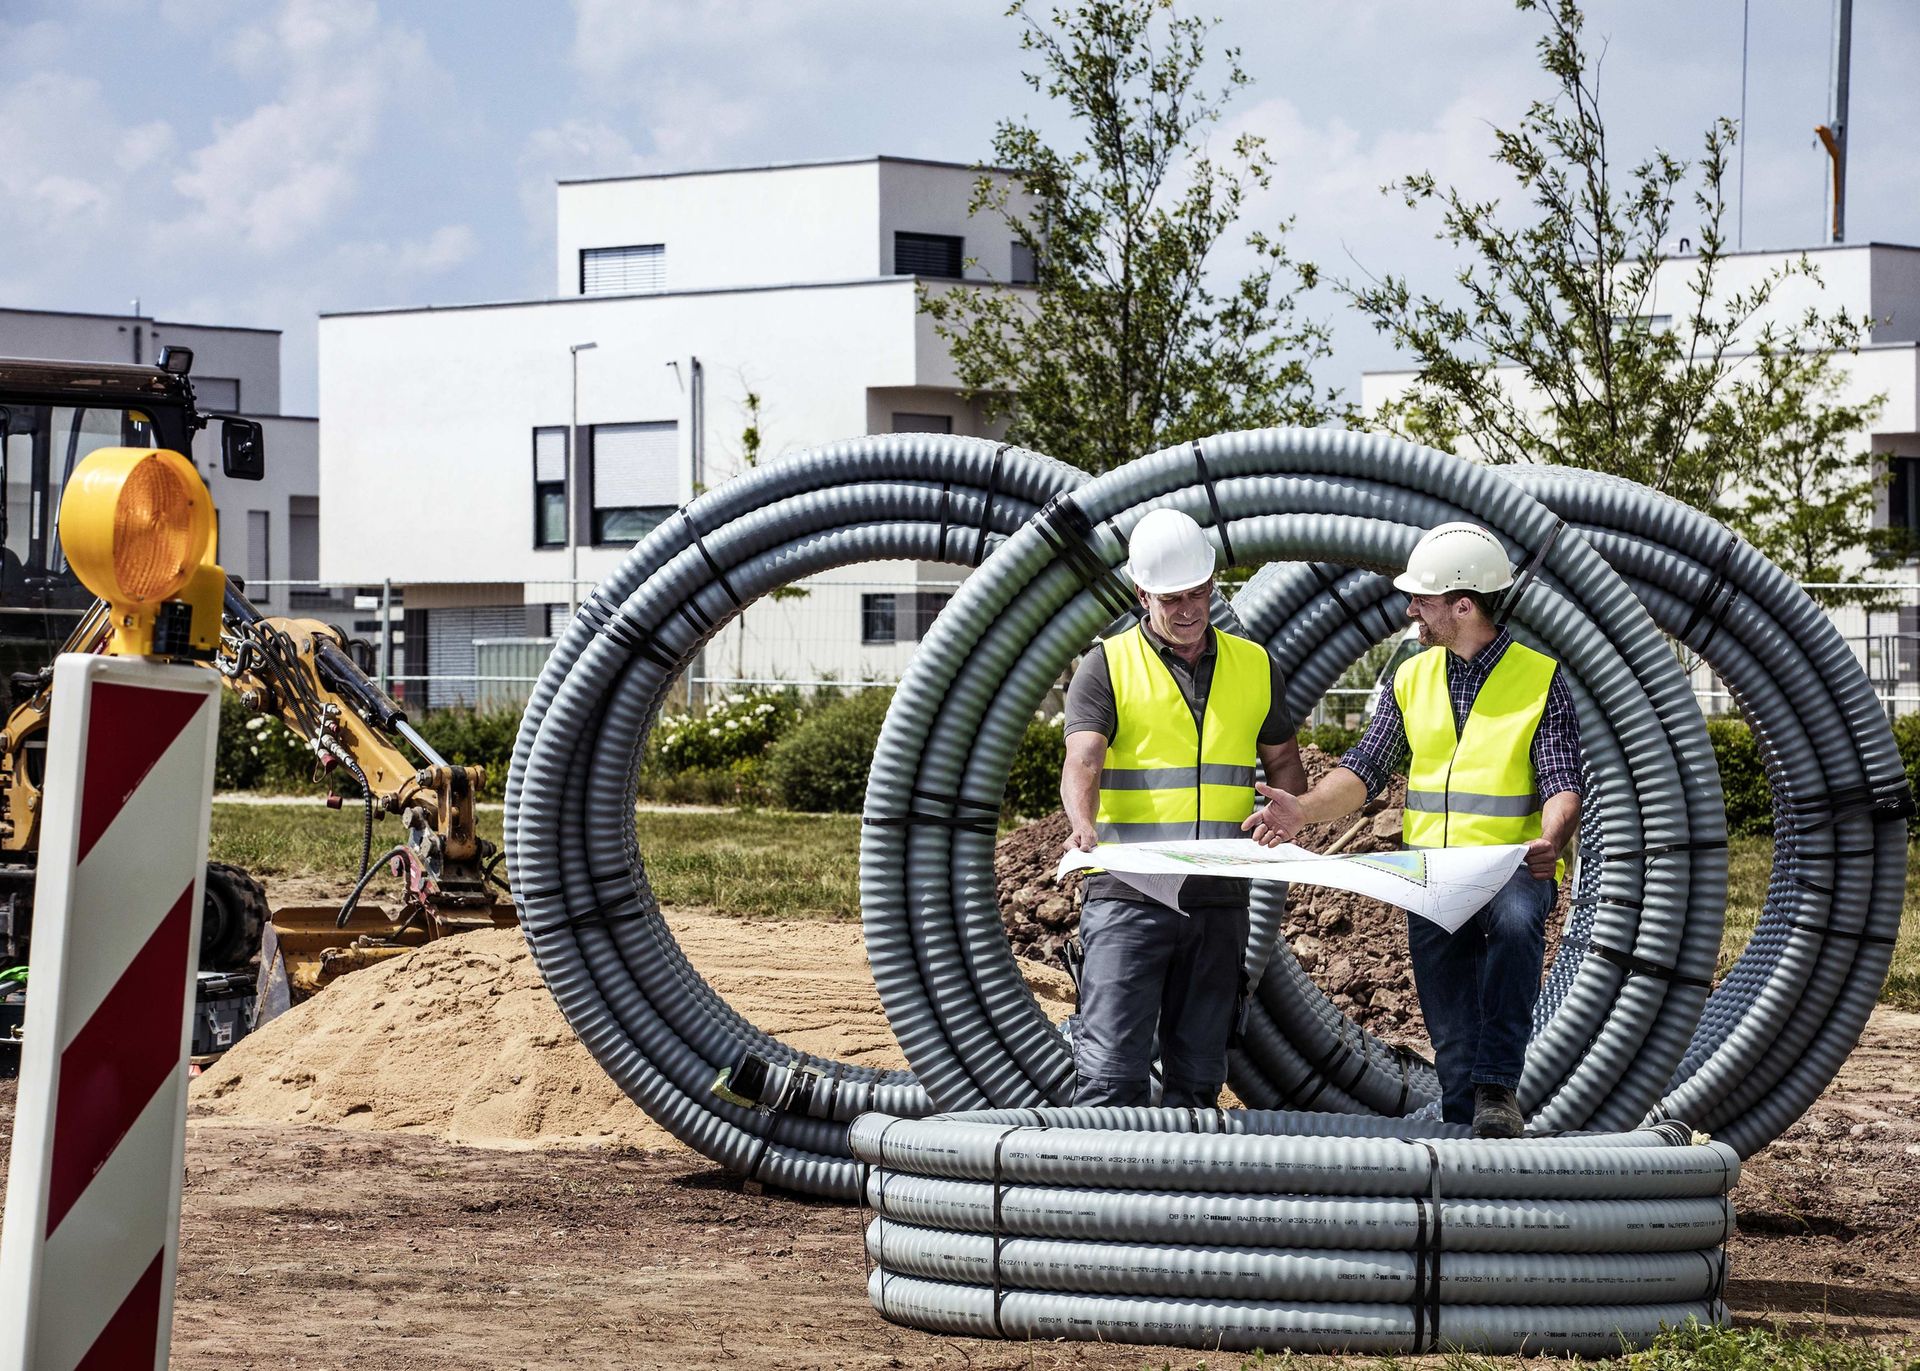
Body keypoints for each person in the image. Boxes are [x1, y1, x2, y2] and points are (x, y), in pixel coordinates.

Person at [1245, 522, 1583, 1138]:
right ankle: (1468, 1140)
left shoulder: (1539, 679)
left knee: (1514, 924)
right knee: (1449, 1026)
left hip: (1511, 865)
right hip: (1431, 874)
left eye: (1422, 600)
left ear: (1463, 603)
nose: (1410, 611)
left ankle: (1499, 1088)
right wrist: (1302, 809)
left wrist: (1552, 840)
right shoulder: (1411, 677)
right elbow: (1364, 770)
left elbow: (1561, 781)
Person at [1060, 508, 1307, 1108]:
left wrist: (1286, 812)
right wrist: (1083, 826)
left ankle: (1178, 1203)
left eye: (1198, 592)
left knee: (1199, 1079)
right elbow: (1082, 761)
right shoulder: (1108, 666)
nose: (1188, 608)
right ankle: (1099, 1201)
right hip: (1127, 894)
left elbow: (1283, 765)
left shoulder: (1254, 665)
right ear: (1141, 592)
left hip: (1218, 898)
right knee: (1112, 1075)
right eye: (1172, 598)